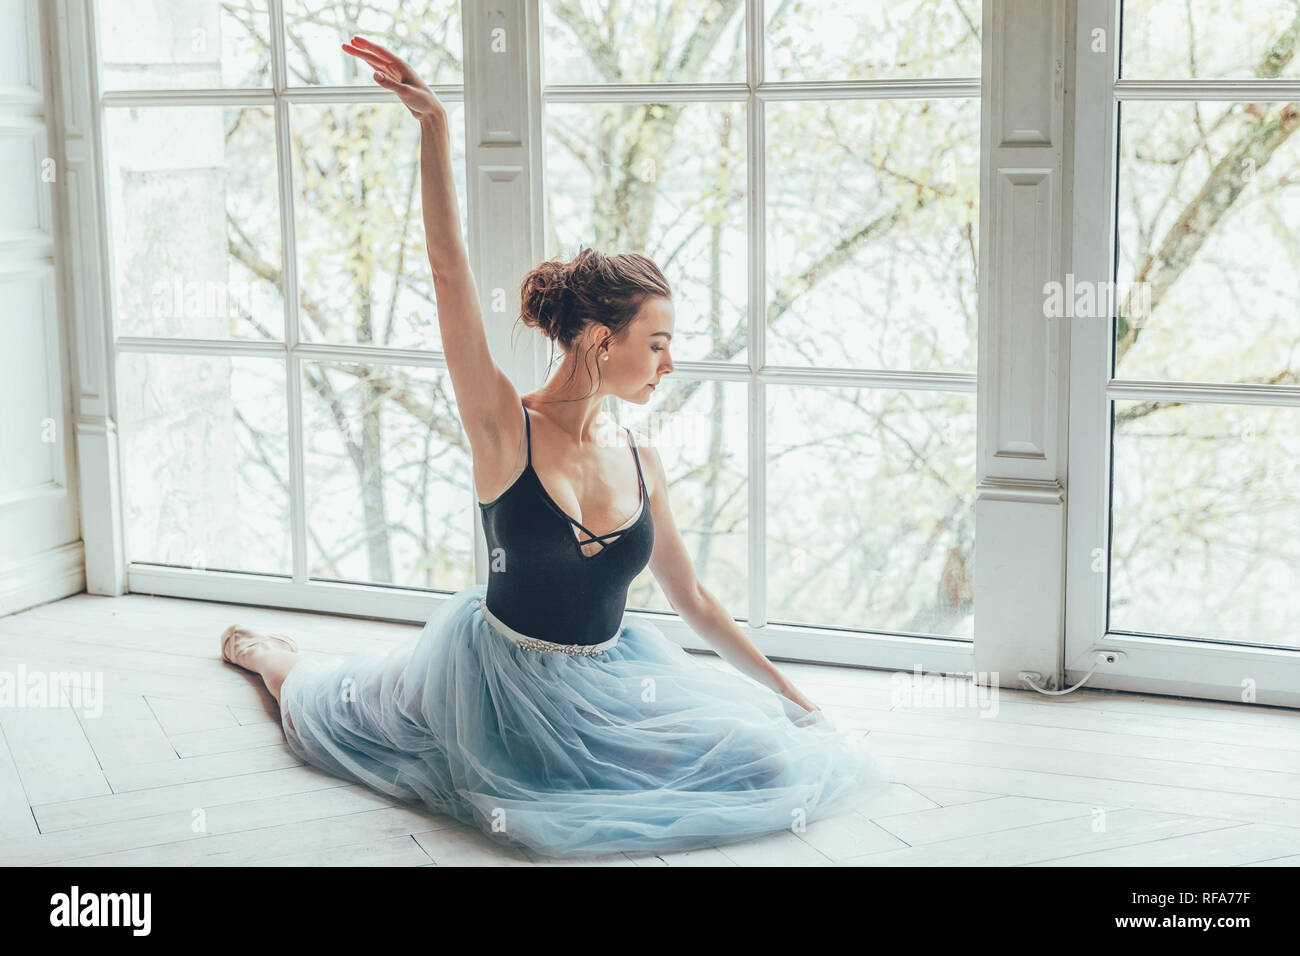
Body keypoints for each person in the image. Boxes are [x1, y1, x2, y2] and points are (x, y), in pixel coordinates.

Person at [218, 35, 889, 859]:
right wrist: (434, 129)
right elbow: (446, 273)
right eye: (659, 343)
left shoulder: (643, 460)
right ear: (602, 341)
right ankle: (270, 656)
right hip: (493, 685)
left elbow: (697, 602)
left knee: (757, 759)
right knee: (327, 706)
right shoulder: (503, 428)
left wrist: (795, 699)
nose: (671, 363)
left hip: (611, 679)